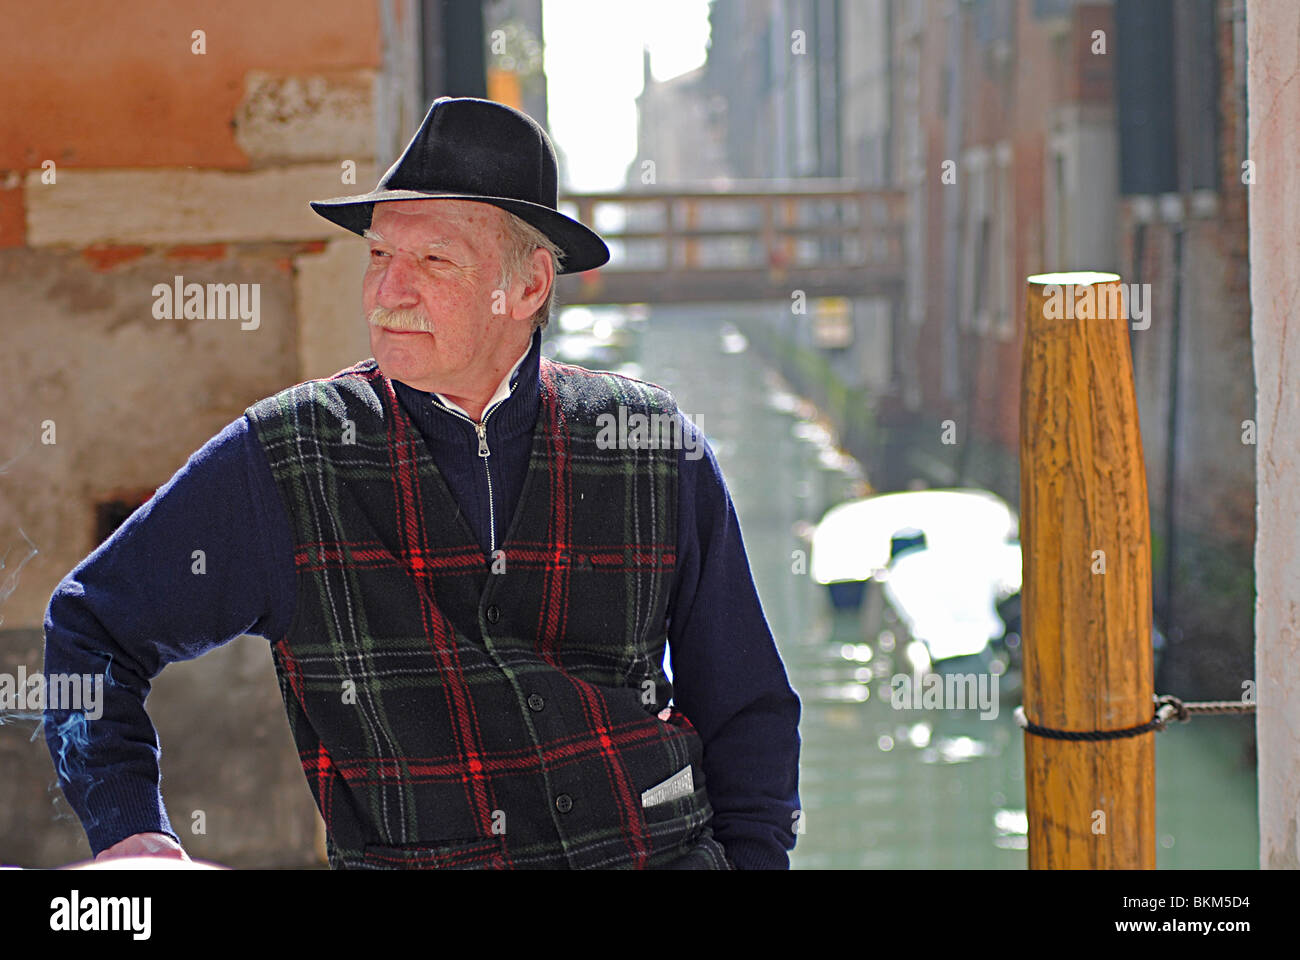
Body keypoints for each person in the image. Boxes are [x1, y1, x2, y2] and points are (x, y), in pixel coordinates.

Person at [42, 97, 802, 869]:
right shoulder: (285, 457)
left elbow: (749, 711)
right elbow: (91, 628)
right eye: (378, 256)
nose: (387, 292)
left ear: (530, 286)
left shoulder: (653, 442)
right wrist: (131, 834)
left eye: (433, 261)